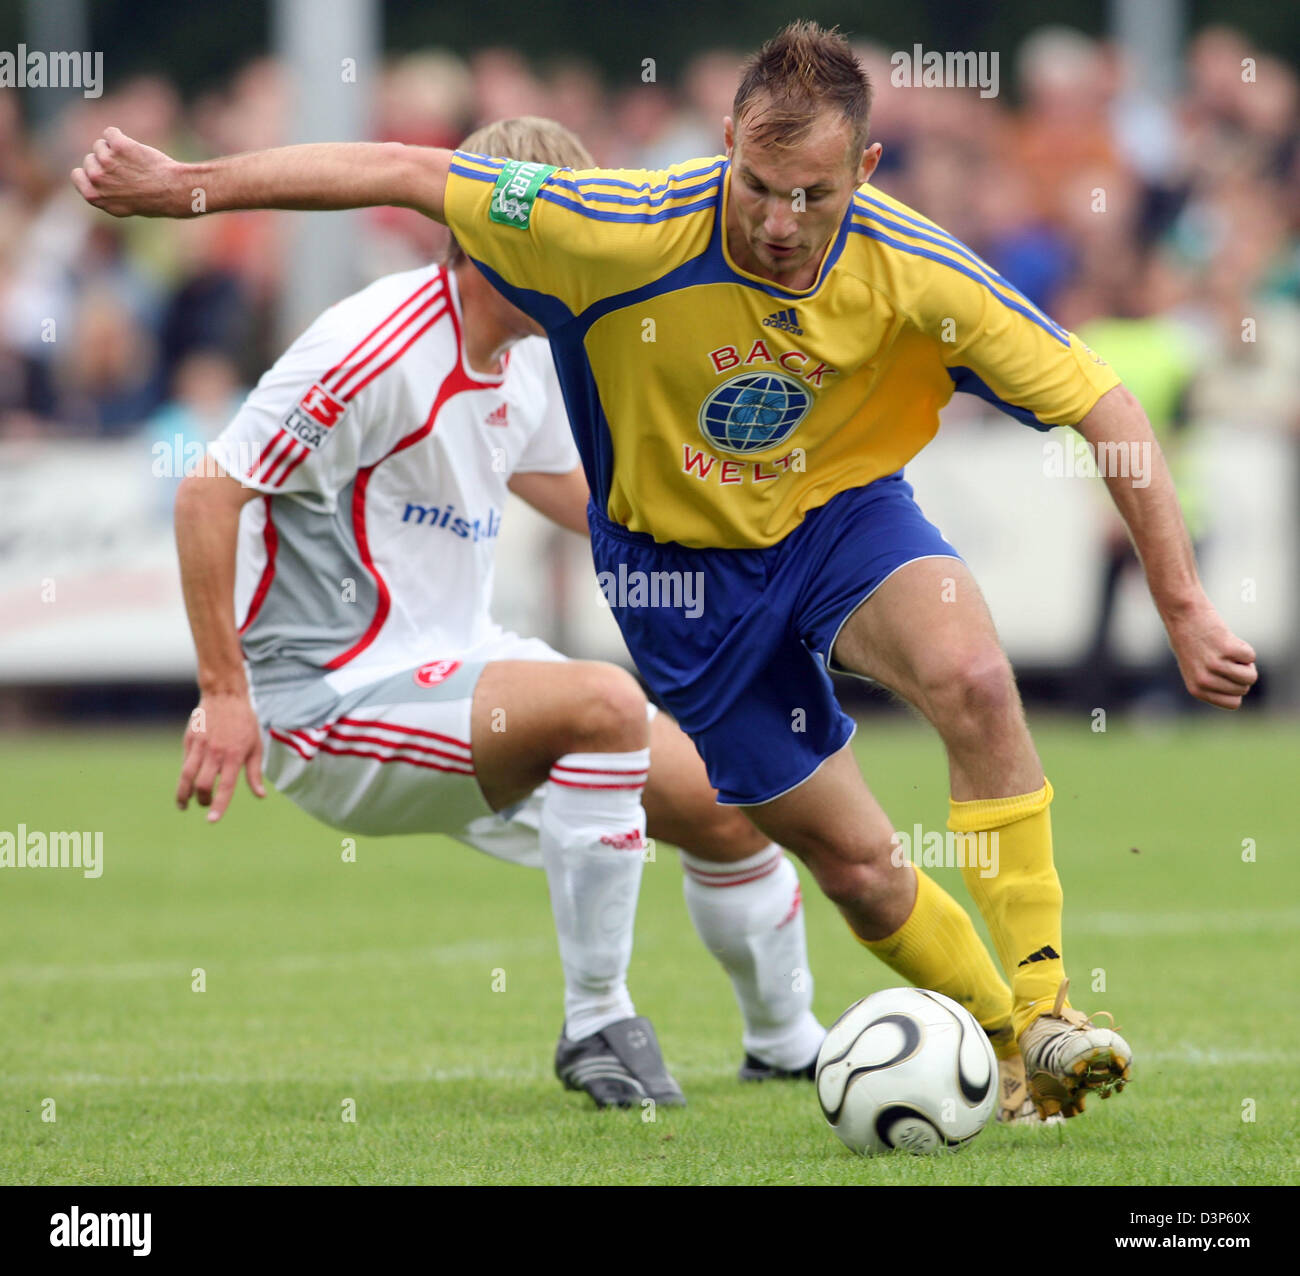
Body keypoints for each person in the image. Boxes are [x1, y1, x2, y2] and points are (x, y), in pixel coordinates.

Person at [71, 22, 1260, 1121]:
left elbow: (1100, 398)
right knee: (852, 863)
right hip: (678, 592)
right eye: (758, 184)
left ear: (869, 166)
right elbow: (397, 165)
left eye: (816, 195)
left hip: (840, 516)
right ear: (722, 146)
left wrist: (1182, 602)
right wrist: (185, 188)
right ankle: (999, 1041)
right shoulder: (604, 220)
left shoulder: (914, 266)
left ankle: (1042, 1012)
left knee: (974, 675)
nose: (784, 222)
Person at [163, 117, 827, 1112]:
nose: (583, 261)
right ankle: (596, 1019)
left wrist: (759, 548)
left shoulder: (532, 357)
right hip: (327, 699)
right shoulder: (373, 343)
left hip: (456, 674)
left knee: (731, 800)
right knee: (602, 703)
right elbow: (208, 492)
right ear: (491, 235)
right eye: (562, 236)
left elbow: (594, 502)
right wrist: (225, 694)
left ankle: (786, 1044)